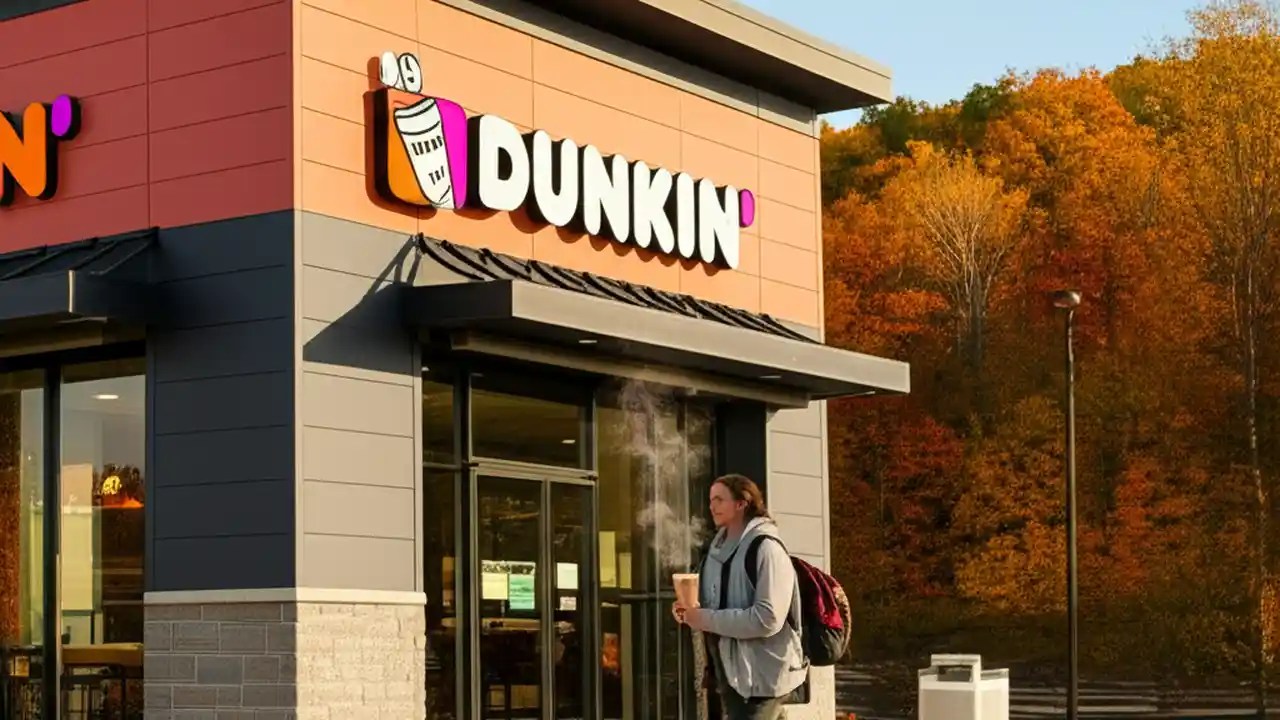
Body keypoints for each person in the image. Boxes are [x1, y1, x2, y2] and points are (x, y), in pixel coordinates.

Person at [673, 474, 807, 720]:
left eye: (719, 499)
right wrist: (687, 611)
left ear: (742, 503)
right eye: (710, 500)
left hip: (762, 679)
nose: (712, 506)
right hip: (729, 675)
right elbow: (709, 607)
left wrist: (702, 618)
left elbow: (767, 619)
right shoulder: (714, 552)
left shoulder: (767, 548)